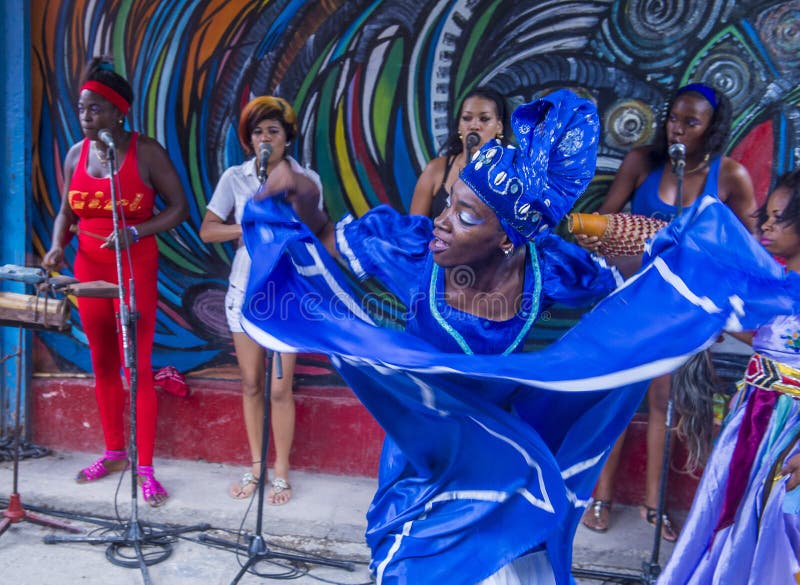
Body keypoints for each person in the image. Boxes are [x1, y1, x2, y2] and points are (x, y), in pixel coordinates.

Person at [238, 87, 799, 584]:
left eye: (465, 215)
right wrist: (303, 198)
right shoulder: (413, 248)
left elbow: (641, 279)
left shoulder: (548, 268)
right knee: (412, 564)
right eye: (449, 204)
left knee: (505, 565)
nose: (442, 220)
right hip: (427, 448)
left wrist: (667, 247)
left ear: (508, 239)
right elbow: (321, 241)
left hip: (505, 454)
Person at [576, 82, 757, 541]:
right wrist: (626, 242)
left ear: (711, 128)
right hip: (633, 297)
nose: (678, 128)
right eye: (674, 118)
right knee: (617, 394)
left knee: (664, 402)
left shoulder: (730, 175)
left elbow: (749, 248)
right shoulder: (643, 162)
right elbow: (607, 218)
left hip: (683, 310)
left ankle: (653, 505)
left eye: (690, 122)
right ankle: (601, 495)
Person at [41, 57, 188, 507]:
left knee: (137, 366)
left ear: (118, 112)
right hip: (88, 265)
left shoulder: (147, 153)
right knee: (103, 361)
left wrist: (136, 231)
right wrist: (56, 246)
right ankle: (113, 453)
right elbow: (68, 211)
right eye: (82, 109)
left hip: (134, 264)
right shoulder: (75, 154)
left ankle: (146, 467)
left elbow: (179, 207)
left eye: (95, 110)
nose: (86, 118)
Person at [658, 169, 800, 584]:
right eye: (767, 215)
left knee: (773, 523)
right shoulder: (779, 285)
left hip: (788, 429)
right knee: (728, 511)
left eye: (780, 217)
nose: (767, 225)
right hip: (751, 416)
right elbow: (772, 336)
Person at [200, 96, 322, 505]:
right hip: (242, 292)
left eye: (273, 130)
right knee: (251, 384)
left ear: (288, 136)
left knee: (280, 390)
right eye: (257, 132)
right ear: (248, 140)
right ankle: (256, 466)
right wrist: (246, 227)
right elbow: (208, 230)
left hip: (284, 296)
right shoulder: (235, 177)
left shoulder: (306, 180)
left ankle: (281, 471)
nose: (265, 138)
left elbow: (313, 230)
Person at [408, 86, 509, 218]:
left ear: (499, 127)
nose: (474, 125)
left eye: (484, 119)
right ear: (459, 127)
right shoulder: (436, 170)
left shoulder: (510, 174)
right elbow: (415, 228)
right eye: (467, 118)